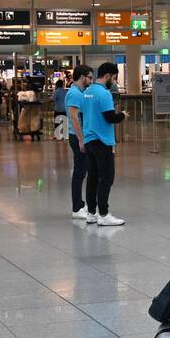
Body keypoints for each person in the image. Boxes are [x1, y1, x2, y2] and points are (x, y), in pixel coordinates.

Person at [81, 62, 126, 226]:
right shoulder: (104, 94)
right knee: (106, 178)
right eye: (113, 78)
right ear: (107, 76)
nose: (113, 82)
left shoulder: (87, 92)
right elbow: (110, 117)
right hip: (103, 140)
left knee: (92, 177)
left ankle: (91, 213)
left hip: (89, 139)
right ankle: (104, 214)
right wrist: (122, 115)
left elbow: (82, 115)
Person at [65, 65, 93, 222]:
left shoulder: (80, 93)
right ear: (82, 77)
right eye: (89, 77)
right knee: (79, 171)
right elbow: (74, 118)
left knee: (83, 171)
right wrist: (81, 139)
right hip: (77, 137)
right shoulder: (75, 94)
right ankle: (76, 207)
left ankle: (81, 204)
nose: (91, 80)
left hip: (80, 136)